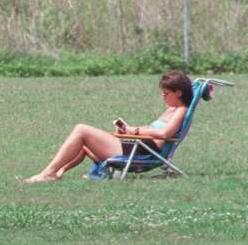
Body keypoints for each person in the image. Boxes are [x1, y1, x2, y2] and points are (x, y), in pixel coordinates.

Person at [22, 71, 194, 184]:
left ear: (178, 92)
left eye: (166, 93)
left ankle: (48, 173)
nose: (163, 97)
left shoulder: (181, 109)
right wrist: (129, 130)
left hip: (143, 151)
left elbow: (165, 133)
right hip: (137, 145)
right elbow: (152, 129)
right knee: (83, 139)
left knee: (81, 130)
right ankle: (57, 172)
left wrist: (135, 131)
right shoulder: (171, 109)